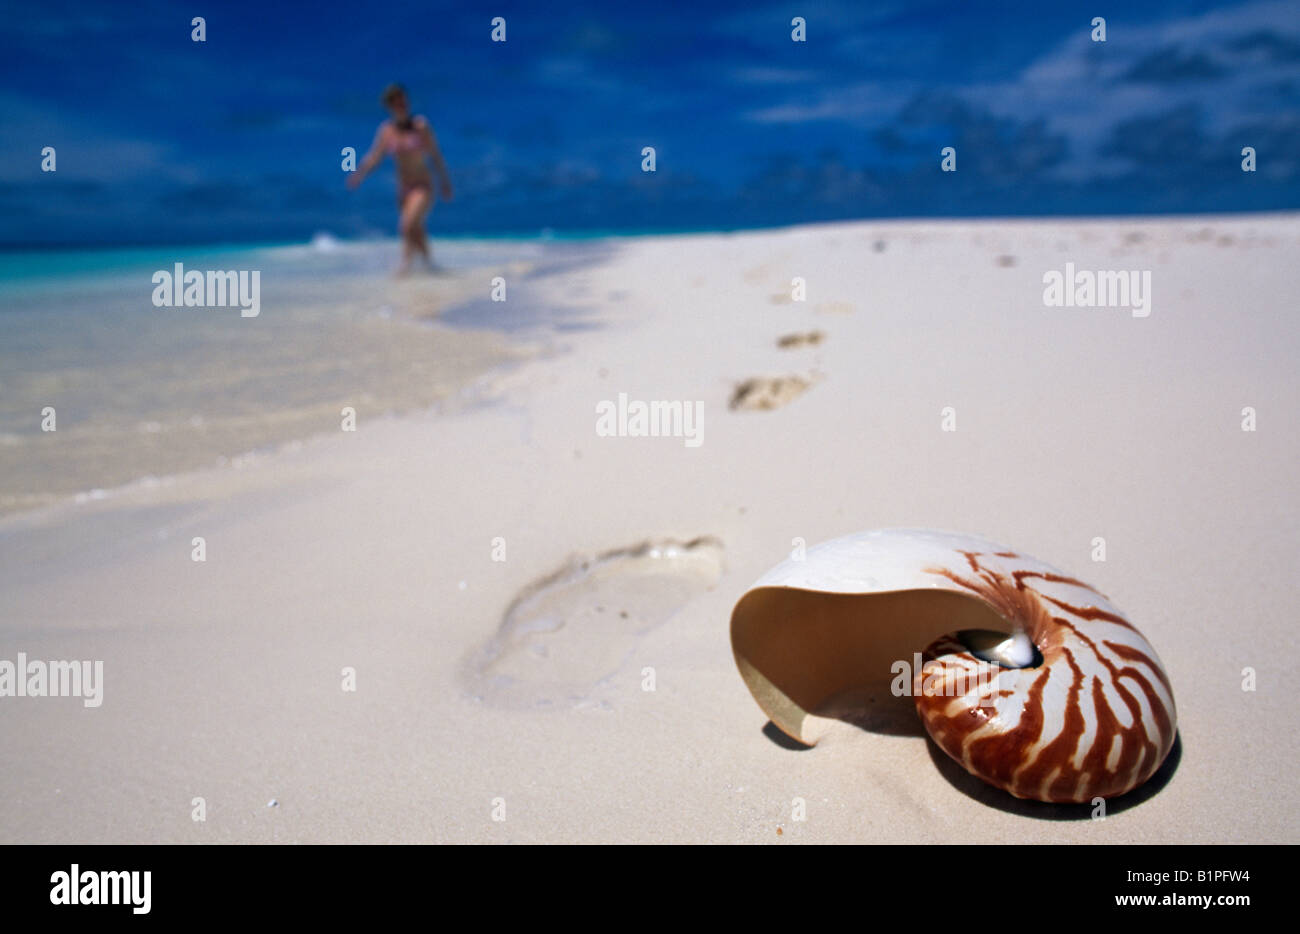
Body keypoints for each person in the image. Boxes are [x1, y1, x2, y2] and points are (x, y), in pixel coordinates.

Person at [348, 84, 453, 274]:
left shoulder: (421, 126)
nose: (401, 106)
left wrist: (445, 182)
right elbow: (375, 156)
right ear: (389, 107)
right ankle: (429, 267)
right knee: (416, 230)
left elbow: (436, 155)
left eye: (403, 102)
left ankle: (405, 267)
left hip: (423, 185)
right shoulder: (386, 131)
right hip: (403, 188)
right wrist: (359, 174)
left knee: (407, 225)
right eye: (396, 104)